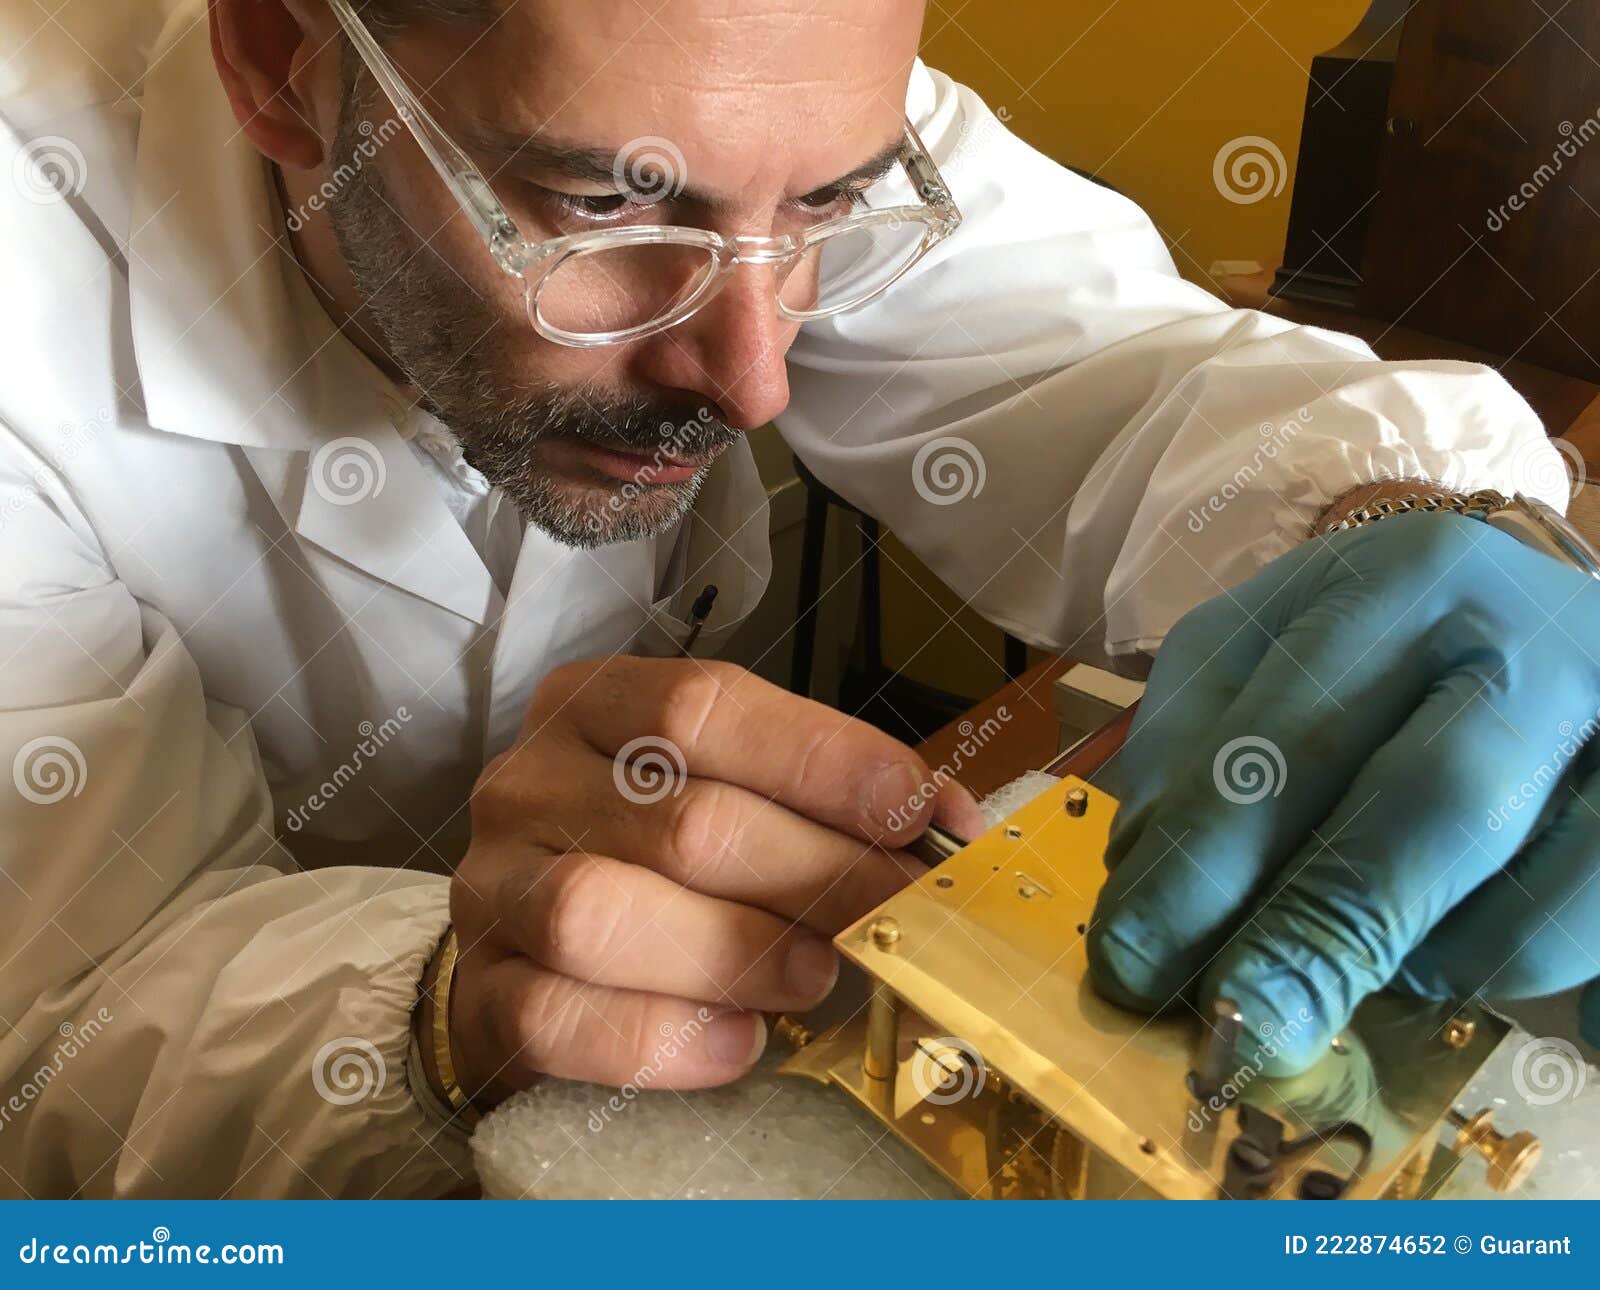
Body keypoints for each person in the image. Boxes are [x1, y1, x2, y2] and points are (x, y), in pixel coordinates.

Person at [0, 0, 1594, 1199]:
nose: (755, 379)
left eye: (827, 209)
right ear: (283, 58)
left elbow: (1123, 379)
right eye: (610, 212)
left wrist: (1421, 535)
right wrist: (439, 1008)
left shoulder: (752, 92)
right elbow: (60, 1017)